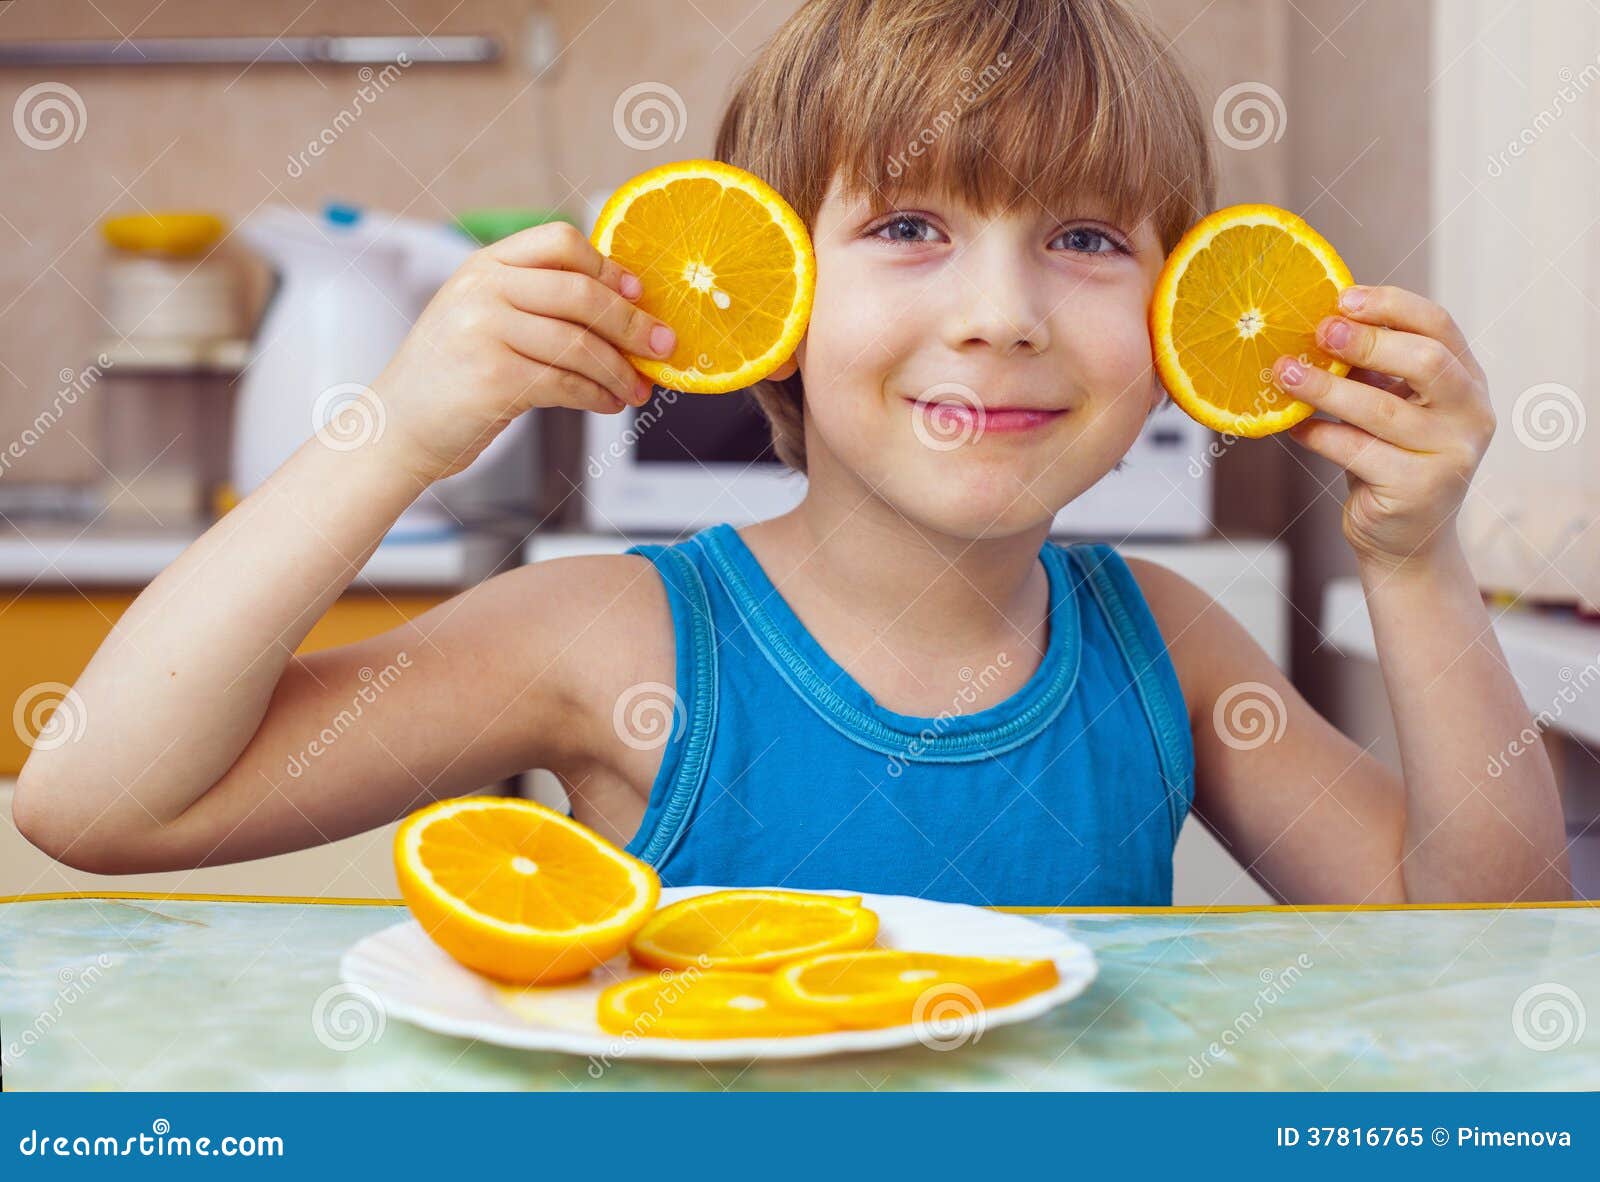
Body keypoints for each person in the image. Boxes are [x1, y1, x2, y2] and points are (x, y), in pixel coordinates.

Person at [14, 0, 1569, 906]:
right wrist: (395, 439)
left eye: (1086, 237)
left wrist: (1415, 557)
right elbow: (98, 803)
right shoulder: (610, 638)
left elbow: (1469, 930)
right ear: (764, 297)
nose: (1001, 313)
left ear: (1177, 311)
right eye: (908, 227)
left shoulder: (1163, 643)